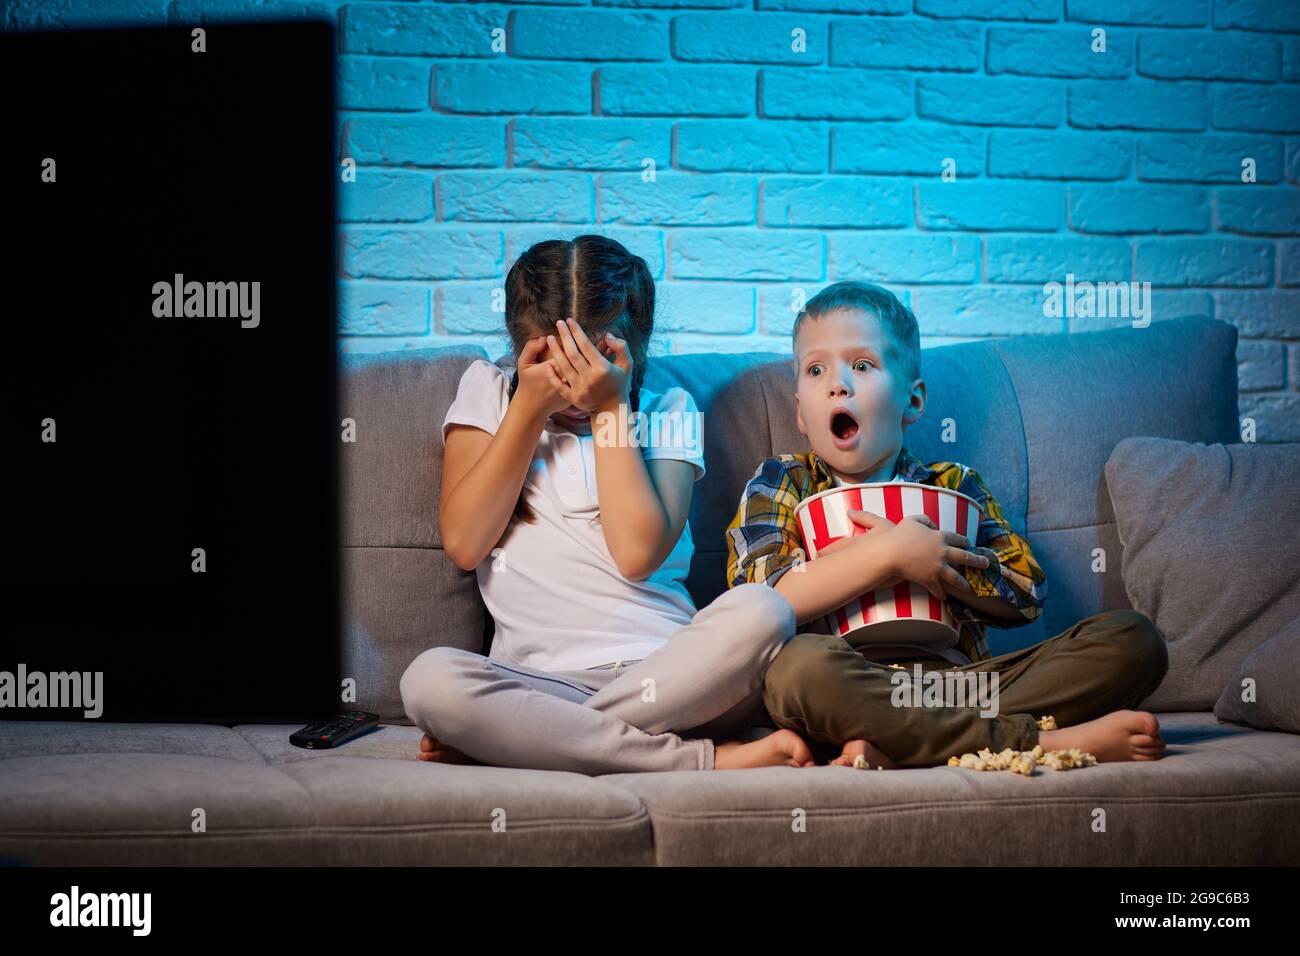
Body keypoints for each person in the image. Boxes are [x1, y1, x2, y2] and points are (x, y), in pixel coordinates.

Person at [400, 235, 814, 774]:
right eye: (556, 365)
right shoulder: (490, 392)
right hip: (540, 684)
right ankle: (694, 761)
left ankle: (532, 741)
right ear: (520, 347)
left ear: (632, 349)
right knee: (429, 681)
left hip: (674, 677)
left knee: (766, 610)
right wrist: (527, 407)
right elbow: (464, 543)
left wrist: (610, 408)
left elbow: (636, 553)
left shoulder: (668, 409)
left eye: (595, 362)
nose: (575, 391)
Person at [726, 280, 1170, 769]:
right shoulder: (781, 482)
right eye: (816, 369)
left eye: (862, 365)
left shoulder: (954, 486)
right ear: (802, 415)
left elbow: (1026, 592)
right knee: (794, 673)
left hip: (963, 684)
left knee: (1134, 641)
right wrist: (889, 555)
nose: (838, 383)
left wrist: (936, 563)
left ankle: (903, 744)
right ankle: (1032, 744)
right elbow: (759, 599)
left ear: (913, 401)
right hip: (846, 684)